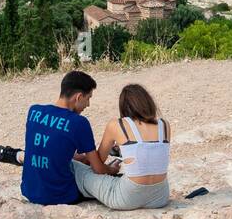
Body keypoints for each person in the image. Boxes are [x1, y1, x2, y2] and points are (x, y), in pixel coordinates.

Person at [0, 70, 116, 206]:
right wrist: (111, 170)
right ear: (78, 97)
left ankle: (17, 156)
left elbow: (55, 148)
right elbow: (98, 169)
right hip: (61, 196)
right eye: (88, 98)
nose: (88, 104)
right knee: (105, 183)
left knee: (58, 155)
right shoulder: (79, 122)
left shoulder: (34, 111)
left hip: (29, 191)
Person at [71, 83, 171, 211]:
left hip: (127, 198)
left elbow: (98, 163)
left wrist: (107, 167)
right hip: (160, 197)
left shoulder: (117, 125)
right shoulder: (165, 125)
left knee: (77, 168)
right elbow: (151, 153)